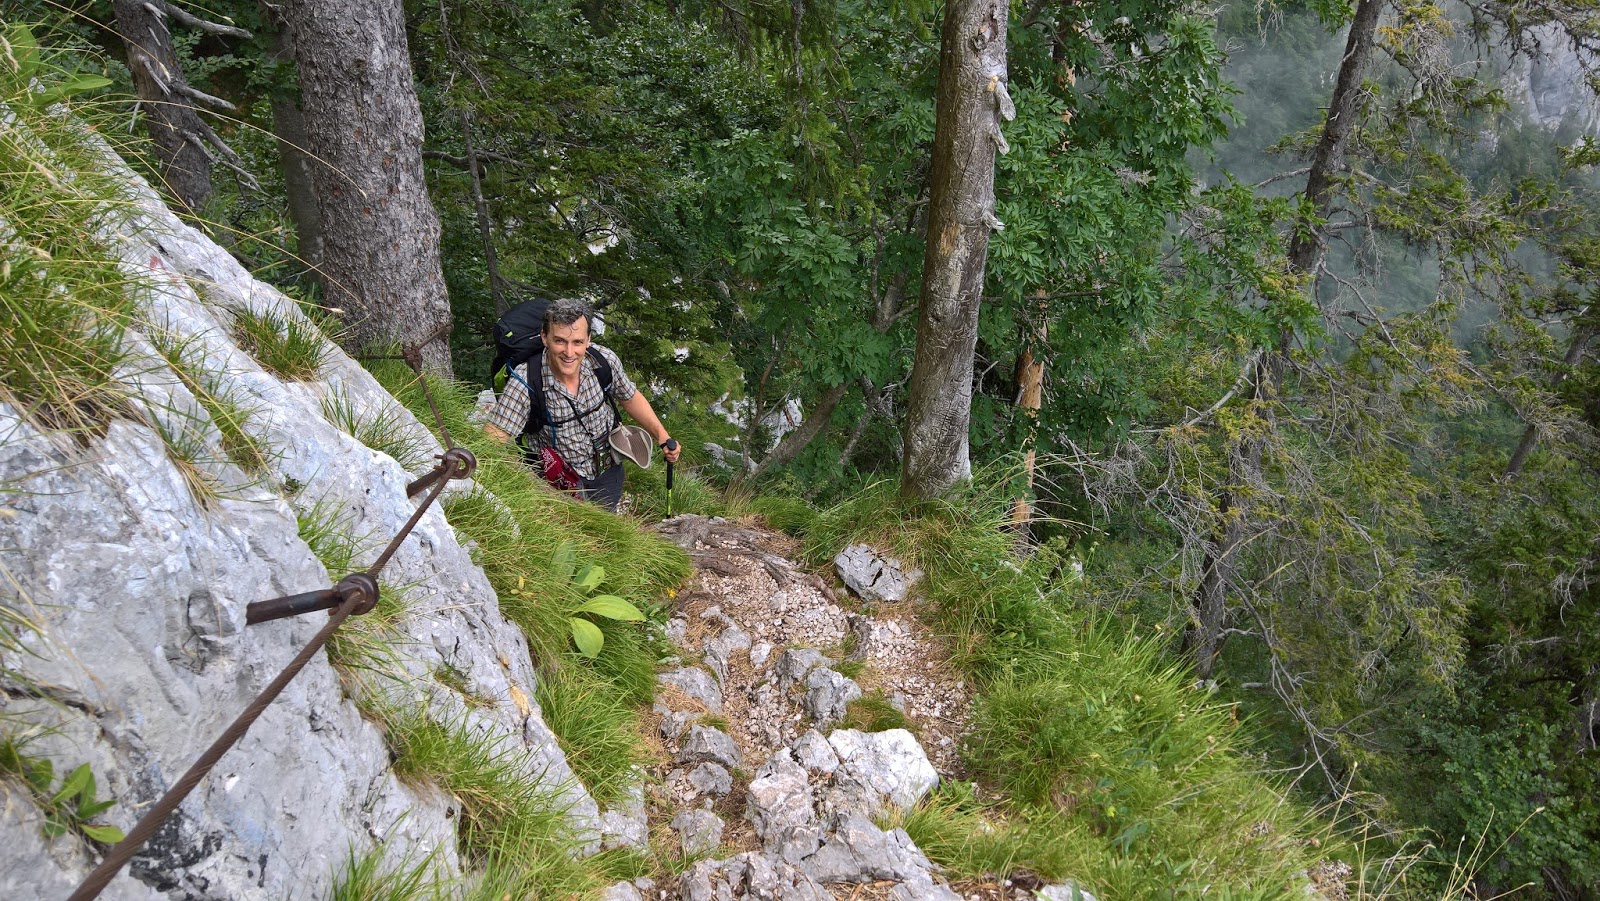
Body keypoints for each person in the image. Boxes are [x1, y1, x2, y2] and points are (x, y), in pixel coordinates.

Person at [483, 298, 680, 511]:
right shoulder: (526, 381)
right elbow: (493, 437)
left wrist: (662, 436)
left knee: (607, 530)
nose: (569, 352)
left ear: (588, 339)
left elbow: (629, 397)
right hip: (555, 484)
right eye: (560, 341)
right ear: (544, 338)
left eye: (577, 342)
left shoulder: (603, 361)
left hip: (608, 472)